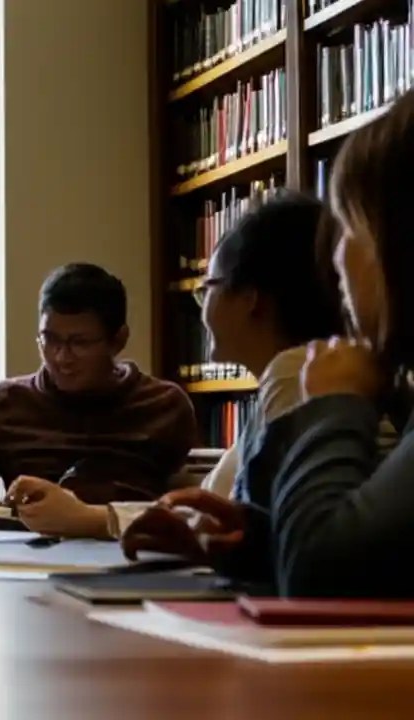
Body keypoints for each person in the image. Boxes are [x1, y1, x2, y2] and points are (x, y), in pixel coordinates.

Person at [124, 89, 414, 598]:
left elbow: (322, 575)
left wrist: (330, 402)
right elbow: (384, 561)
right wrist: (252, 542)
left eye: (349, 226)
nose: (336, 261)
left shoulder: (329, 380)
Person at [13, 195, 345, 538]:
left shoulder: (299, 385)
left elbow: (230, 529)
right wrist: (86, 515)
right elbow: (208, 513)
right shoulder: (292, 381)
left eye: (208, 288)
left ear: (249, 299)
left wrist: (87, 518)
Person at [0, 263, 197, 518]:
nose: (62, 357)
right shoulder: (6, 403)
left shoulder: (164, 405)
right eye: (49, 339)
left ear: (118, 340)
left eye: (80, 343)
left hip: (127, 549)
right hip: (27, 552)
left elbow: (187, 512)